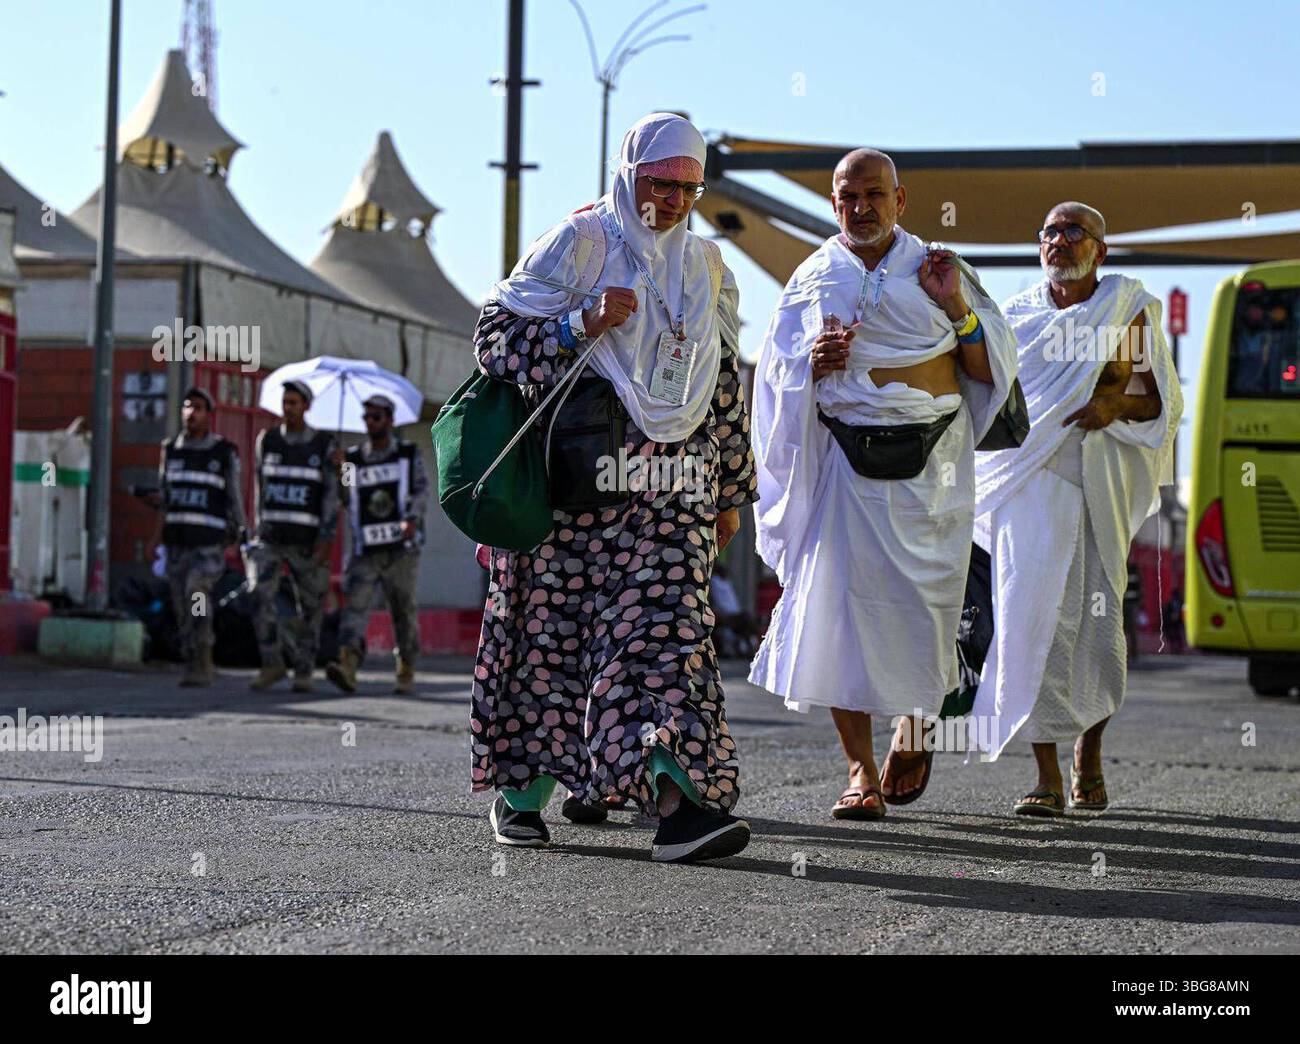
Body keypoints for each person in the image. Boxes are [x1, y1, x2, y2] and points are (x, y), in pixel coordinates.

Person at [469, 112, 756, 863]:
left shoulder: (708, 269)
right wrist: (579, 323)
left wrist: (729, 492)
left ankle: (678, 808)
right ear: (629, 176)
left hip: (668, 492)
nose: (671, 201)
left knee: (667, 637)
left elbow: (725, 382)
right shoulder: (583, 242)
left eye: (688, 188)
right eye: (658, 184)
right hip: (570, 487)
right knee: (547, 640)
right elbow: (494, 337)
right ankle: (522, 794)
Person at [749, 148, 1019, 820]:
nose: (860, 208)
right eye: (847, 197)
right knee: (838, 617)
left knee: (926, 617)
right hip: (843, 467)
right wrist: (808, 364)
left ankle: (917, 727)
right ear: (833, 202)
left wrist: (955, 305)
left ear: (902, 198)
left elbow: (990, 370)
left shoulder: (937, 269)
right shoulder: (812, 278)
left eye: (874, 194)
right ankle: (858, 772)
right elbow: (773, 379)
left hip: (932, 472)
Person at [971, 201, 1183, 816]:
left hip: (1096, 484)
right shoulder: (1014, 317)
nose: (1058, 241)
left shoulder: (1128, 308)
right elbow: (985, 399)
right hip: (1027, 485)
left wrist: (1112, 408)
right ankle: (1043, 775)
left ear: (1100, 250)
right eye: (1049, 233)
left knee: (1094, 627)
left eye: (1073, 232)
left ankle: (1087, 756)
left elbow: (1157, 405)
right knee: (1024, 621)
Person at [325, 394, 427, 696]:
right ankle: (348, 665)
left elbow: (421, 491)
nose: (371, 422)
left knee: (403, 608)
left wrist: (411, 518)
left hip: (401, 549)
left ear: (390, 420)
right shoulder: (353, 458)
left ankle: (406, 665)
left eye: (377, 417)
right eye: (366, 417)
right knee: (354, 607)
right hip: (365, 549)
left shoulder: (407, 454)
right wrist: (339, 471)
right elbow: (345, 500)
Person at [247, 380, 338, 692]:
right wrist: (257, 529)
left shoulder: (323, 444)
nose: (288, 408)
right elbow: (259, 488)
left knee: (311, 607)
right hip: (270, 539)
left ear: (306, 406)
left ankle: (303, 669)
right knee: (260, 596)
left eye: (295, 403)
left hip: (307, 541)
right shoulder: (268, 440)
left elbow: (330, 495)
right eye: (285, 402)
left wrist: (327, 537)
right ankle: (271, 662)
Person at [155, 387, 246, 687]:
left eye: (198, 408)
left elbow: (234, 495)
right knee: (181, 603)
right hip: (177, 542)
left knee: (197, 594)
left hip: (207, 545)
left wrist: (240, 530)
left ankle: (204, 655)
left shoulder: (222, 452)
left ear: (209, 415)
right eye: (187, 406)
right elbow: (165, 496)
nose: (191, 413)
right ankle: (191, 656)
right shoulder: (171, 450)